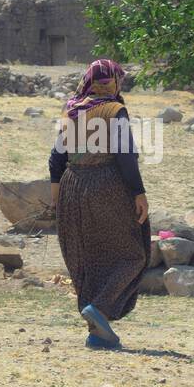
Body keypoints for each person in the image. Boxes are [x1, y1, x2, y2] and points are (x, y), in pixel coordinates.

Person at [49, 59, 150, 349]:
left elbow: (56, 160)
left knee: (90, 258)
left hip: (71, 187)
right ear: (115, 82)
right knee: (134, 254)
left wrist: (58, 202)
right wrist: (139, 193)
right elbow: (125, 156)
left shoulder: (72, 111)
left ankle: (97, 333)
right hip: (105, 186)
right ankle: (101, 308)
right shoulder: (115, 111)